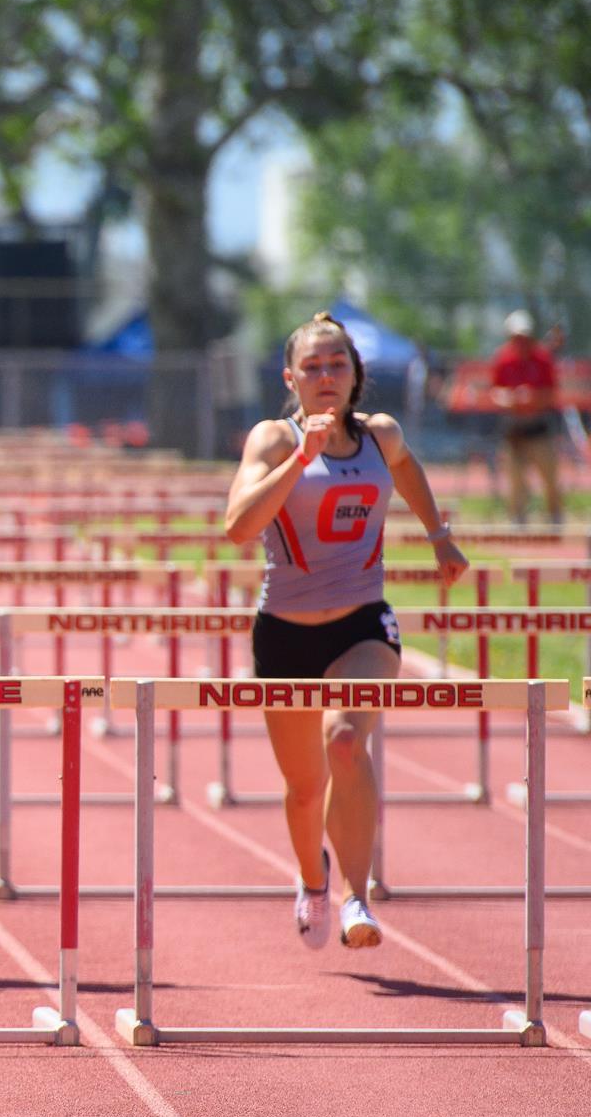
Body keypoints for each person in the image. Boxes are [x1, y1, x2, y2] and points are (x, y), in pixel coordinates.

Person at [224, 311, 467, 951]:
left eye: (337, 365)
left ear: (355, 375)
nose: (326, 376)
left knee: (343, 743)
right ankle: (313, 880)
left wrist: (439, 536)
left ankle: (357, 897)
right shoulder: (272, 440)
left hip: (364, 624)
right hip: (284, 632)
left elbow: (409, 470)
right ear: (291, 378)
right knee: (304, 790)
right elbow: (238, 528)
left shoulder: (381, 436)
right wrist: (301, 456)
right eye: (313, 367)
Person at [489, 310, 563, 524]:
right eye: (516, 338)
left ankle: (554, 518)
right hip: (514, 429)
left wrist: (532, 397)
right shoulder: (503, 358)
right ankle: (518, 521)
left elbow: (551, 394)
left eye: (524, 338)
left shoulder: (542, 359)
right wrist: (511, 399)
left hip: (538, 427)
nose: (520, 343)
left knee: (550, 477)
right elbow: (495, 392)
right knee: (515, 480)